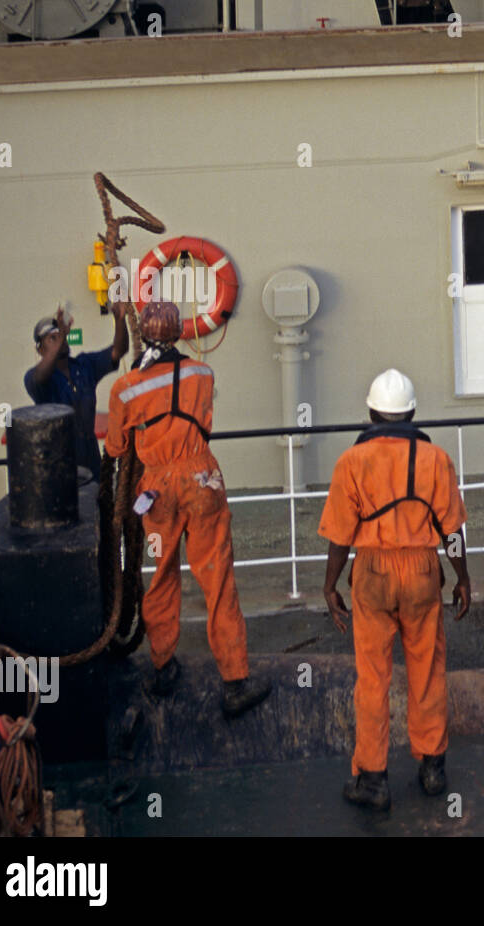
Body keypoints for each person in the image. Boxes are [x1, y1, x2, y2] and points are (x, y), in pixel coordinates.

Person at [104, 301, 272, 718]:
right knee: (217, 579)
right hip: (203, 480)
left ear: (144, 332)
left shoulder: (125, 388)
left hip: (158, 489)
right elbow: (207, 424)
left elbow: (116, 447)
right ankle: (235, 681)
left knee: (160, 574)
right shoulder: (203, 373)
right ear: (179, 333)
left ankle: (163, 668)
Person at [318, 368, 470, 812]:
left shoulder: (351, 462)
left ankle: (372, 778)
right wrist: (462, 577)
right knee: (426, 670)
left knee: (373, 678)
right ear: (412, 413)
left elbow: (340, 537)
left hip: (372, 574)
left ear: (370, 412)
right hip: (423, 571)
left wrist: (330, 586)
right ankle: (432, 767)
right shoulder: (436, 459)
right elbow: (452, 531)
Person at [24, 303, 130, 482]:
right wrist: (62, 334)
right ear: (40, 349)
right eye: (53, 338)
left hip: (91, 460)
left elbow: (118, 351)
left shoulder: (84, 365)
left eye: (62, 336)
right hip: (59, 465)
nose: (60, 340)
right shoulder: (36, 379)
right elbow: (39, 378)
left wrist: (120, 320)